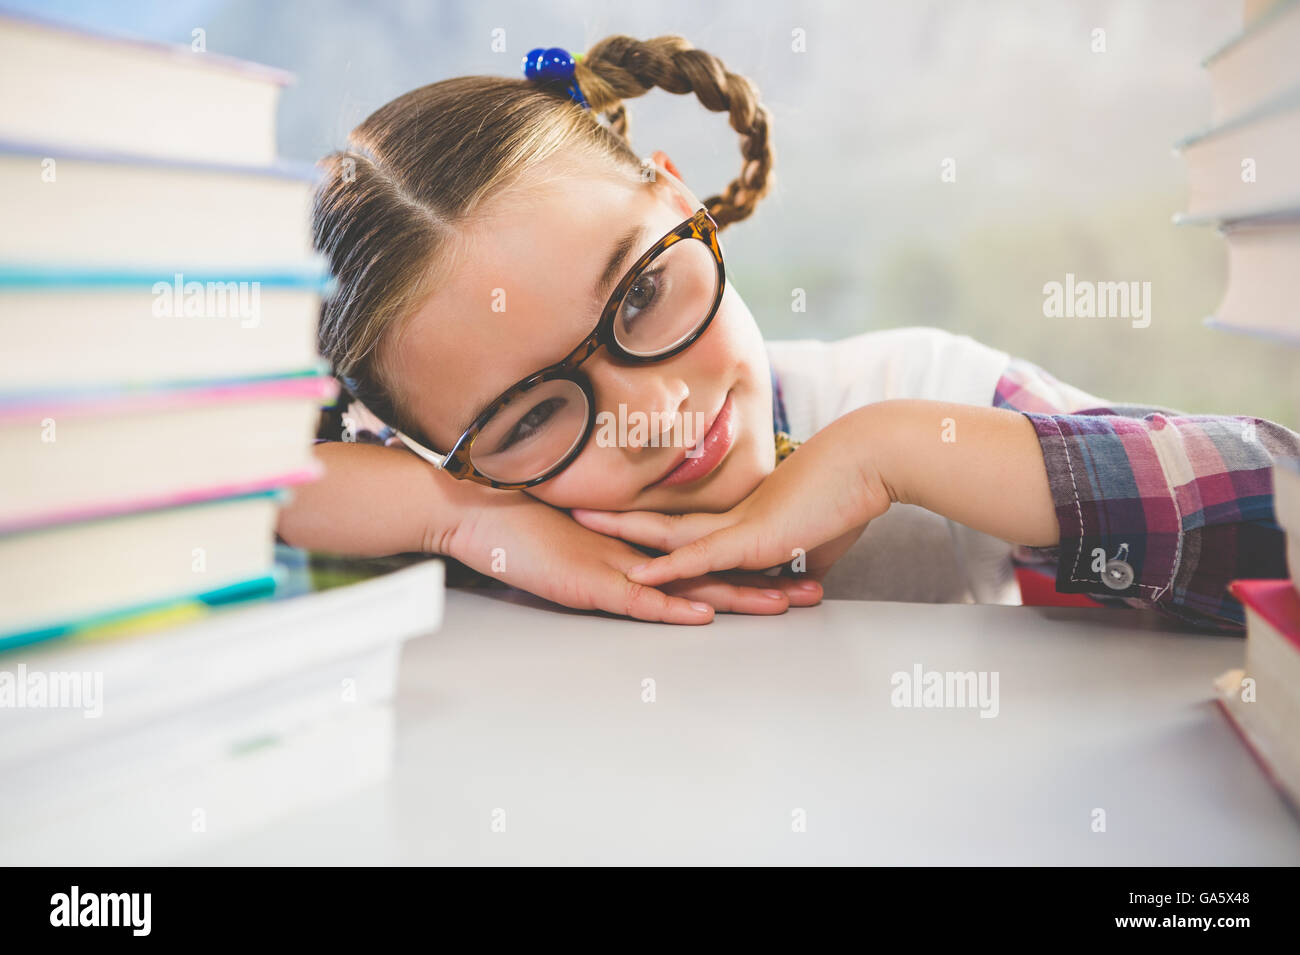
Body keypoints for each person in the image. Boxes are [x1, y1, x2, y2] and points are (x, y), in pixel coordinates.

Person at [277, 35, 1298, 631]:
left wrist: (890, 453)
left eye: (640, 295)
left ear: (682, 197)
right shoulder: (445, 508)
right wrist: (455, 519)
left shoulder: (923, 395)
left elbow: (1279, 520)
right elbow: (169, 488)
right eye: (533, 413)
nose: (658, 413)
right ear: (421, 447)